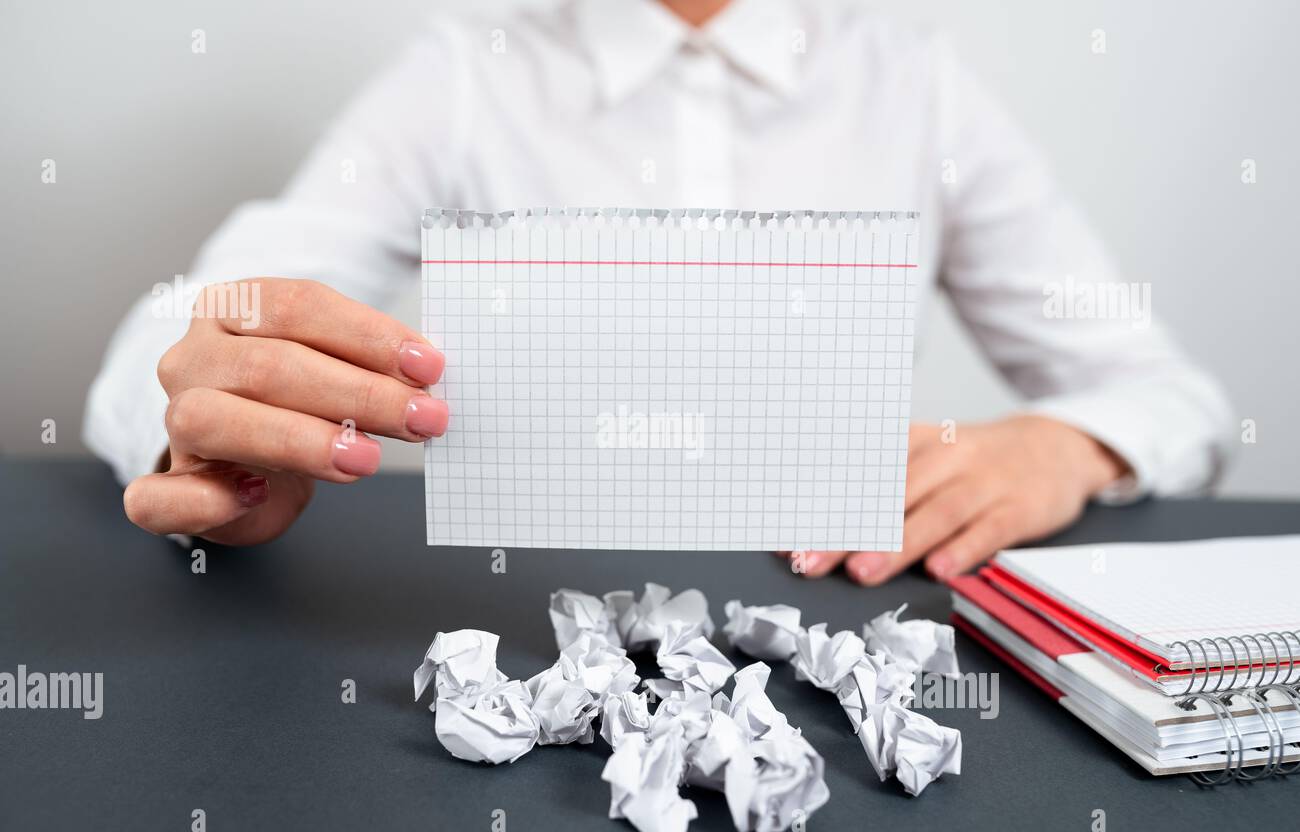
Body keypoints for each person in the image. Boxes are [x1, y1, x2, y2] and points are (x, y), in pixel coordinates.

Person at [84, 0, 1233, 584]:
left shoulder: (913, 86)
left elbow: (1162, 391)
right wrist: (205, 421)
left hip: (846, 605)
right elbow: (192, 326)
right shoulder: (469, 75)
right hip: (524, 620)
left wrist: (1070, 445)